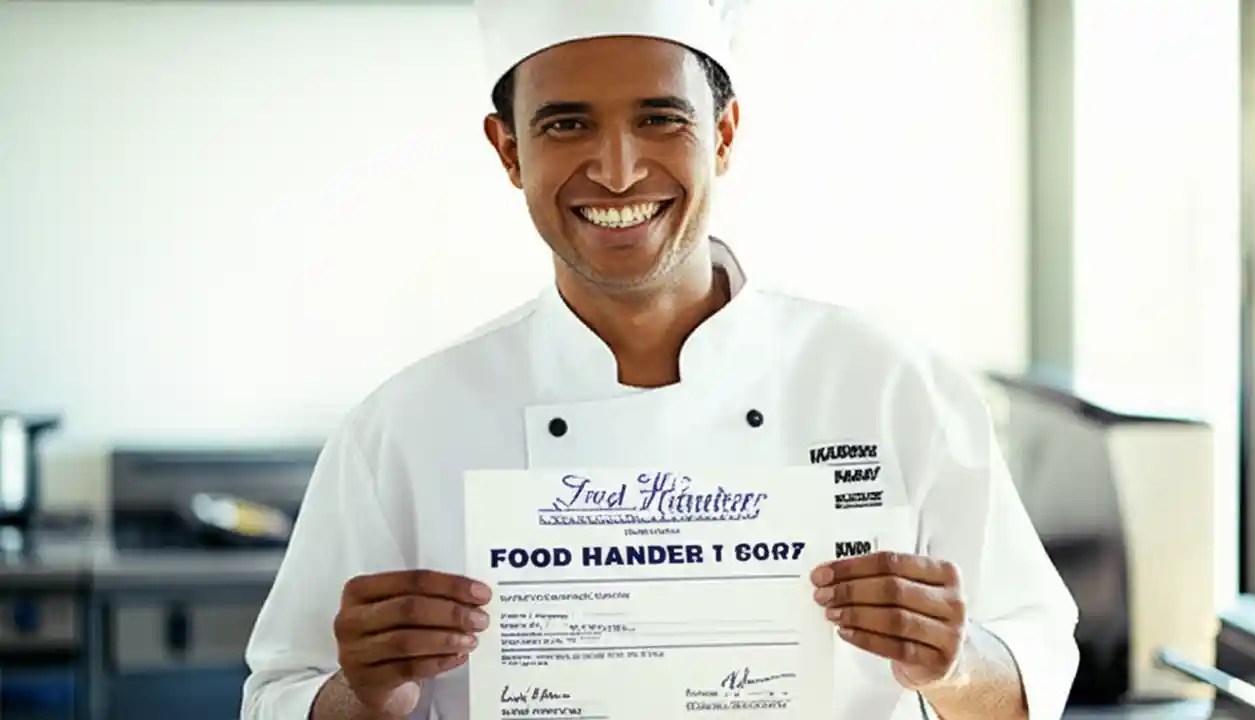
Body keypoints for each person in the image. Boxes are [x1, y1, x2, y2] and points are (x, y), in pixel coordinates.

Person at [240, 1, 1080, 718]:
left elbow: (1031, 679)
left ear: (723, 134)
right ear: (508, 151)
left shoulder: (890, 384)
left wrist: (952, 663)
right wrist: (365, 695)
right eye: (566, 123)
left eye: (660, 119)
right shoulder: (404, 427)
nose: (617, 170)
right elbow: (279, 693)